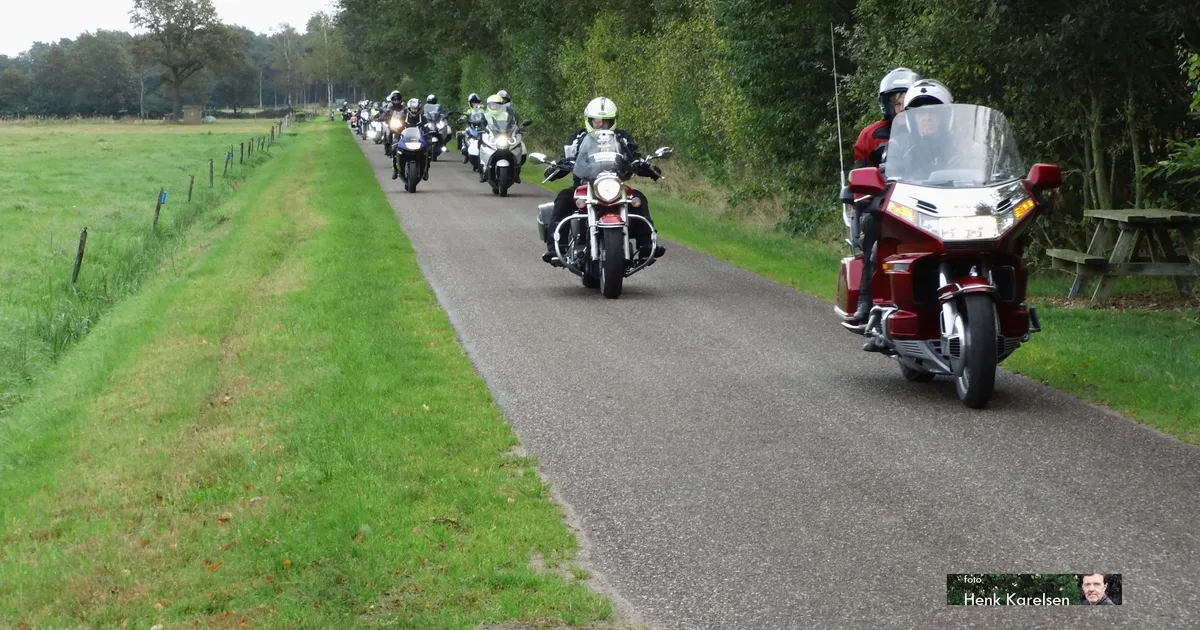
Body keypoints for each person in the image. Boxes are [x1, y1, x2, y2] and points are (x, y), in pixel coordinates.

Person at [542, 96, 666, 265]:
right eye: (596, 121)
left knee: (638, 199)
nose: (600, 125)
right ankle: (556, 249)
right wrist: (557, 166)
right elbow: (567, 156)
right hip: (585, 186)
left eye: (605, 122)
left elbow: (635, 156)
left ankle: (646, 247)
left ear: (612, 121)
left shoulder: (622, 137)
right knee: (564, 198)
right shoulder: (579, 137)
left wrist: (645, 165)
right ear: (589, 121)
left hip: (615, 185)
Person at [848, 68, 922, 327]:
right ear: (886, 103)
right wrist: (863, 198)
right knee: (871, 228)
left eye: (905, 98)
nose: (900, 104)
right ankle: (866, 301)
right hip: (883, 204)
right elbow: (858, 174)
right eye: (896, 99)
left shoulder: (927, 131)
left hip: (922, 203)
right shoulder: (871, 135)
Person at [392, 98, 431, 181]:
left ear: (419, 109)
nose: (414, 110)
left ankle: (426, 170)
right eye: (413, 108)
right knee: (394, 147)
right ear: (409, 108)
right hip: (404, 139)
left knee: (429, 149)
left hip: (419, 140)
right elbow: (398, 126)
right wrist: (396, 130)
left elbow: (427, 128)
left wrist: (428, 133)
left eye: (416, 108)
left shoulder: (423, 118)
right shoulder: (403, 117)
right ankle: (395, 169)